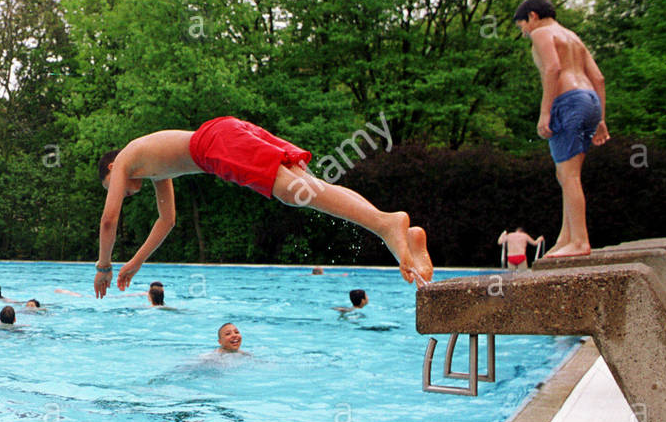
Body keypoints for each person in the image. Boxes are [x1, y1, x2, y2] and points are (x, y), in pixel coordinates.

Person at [93, 120, 432, 296]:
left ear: (110, 170)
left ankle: (387, 225)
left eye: (115, 190)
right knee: (310, 188)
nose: (121, 195)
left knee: (292, 192)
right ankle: (394, 228)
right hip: (223, 133)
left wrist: (104, 267)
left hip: (214, 143)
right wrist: (135, 263)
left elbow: (109, 221)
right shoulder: (152, 167)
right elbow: (166, 220)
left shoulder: (124, 160)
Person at [514, 0, 609, 258]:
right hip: (589, 99)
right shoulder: (573, 37)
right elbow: (598, 78)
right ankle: (566, 237)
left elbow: (552, 69)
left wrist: (545, 113)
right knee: (566, 174)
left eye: (522, 25)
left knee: (569, 175)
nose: (523, 31)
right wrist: (600, 118)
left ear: (532, 16)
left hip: (568, 101)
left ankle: (580, 242)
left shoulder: (542, 33)